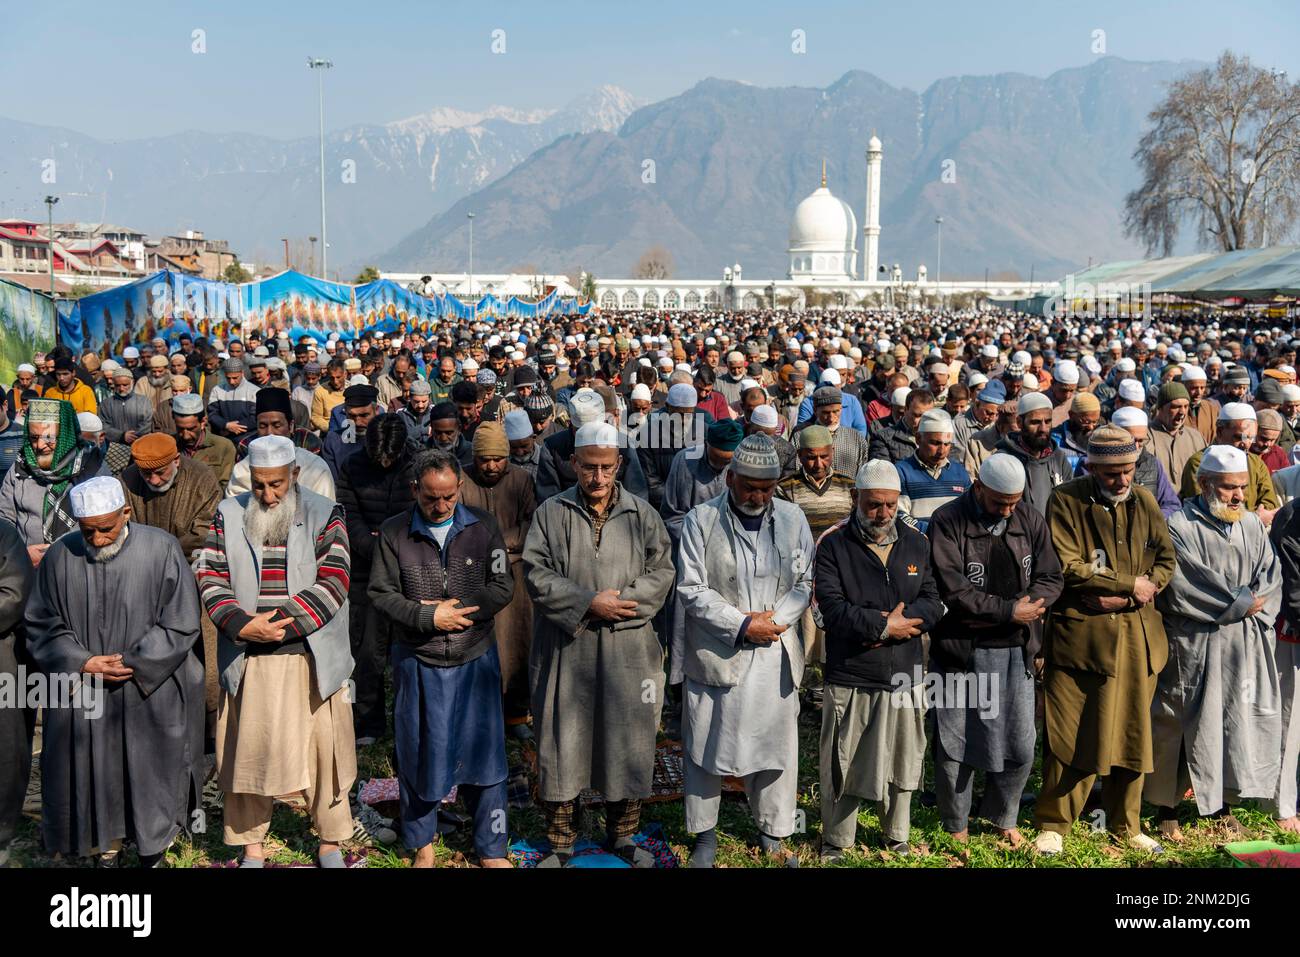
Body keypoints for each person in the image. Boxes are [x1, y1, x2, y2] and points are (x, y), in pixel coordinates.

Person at [25, 475, 204, 866]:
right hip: (83, 689)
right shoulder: (61, 555)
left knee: (147, 771)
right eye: (88, 531)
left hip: (146, 689)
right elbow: (41, 622)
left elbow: (181, 621)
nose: (98, 540)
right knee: (91, 773)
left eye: (106, 529)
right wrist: (82, 661)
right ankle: (99, 845)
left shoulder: (161, 549)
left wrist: (134, 662)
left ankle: (151, 846)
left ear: (125, 513)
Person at [197, 435, 356, 867]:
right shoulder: (228, 514)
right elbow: (211, 576)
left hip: (311, 655)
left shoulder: (326, 514)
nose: (267, 496)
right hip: (249, 654)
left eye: (277, 485)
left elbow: (335, 580)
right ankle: (252, 847)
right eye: (261, 485)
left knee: (326, 756)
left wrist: (280, 625)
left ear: (295, 475)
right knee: (246, 757)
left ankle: (329, 843)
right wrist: (244, 625)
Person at [522, 420, 675, 867]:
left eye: (607, 468)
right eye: (589, 467)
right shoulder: (551, 513)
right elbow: (536, 574)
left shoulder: (643, 514)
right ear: (574, 464)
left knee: (626, 738)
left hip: (627, 648)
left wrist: (620, 604)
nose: (598, 478)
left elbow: (662, 572)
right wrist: (588, 603)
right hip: (566, 648)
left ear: (619, 465)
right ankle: (562, 841)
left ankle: (623, 835)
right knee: (560, 737)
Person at [368, 448, 515, 867]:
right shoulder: (395, 532)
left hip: (475, 655)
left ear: (459, 487)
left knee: (487, 754)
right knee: (418, 751)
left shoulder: (484, 526)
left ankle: (492, 846)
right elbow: (380, 593)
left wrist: (459, 608)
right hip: (418, 657)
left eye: (449, 496)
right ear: (415, 490)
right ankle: (423, 843)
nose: (441, 506)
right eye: (431, 497)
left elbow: (502, 585)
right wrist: (426, 616)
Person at [1033, 425, 1176, 855]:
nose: (1123, 480)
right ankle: (1054, 824)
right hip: (1084, 639)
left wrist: (1144, 586)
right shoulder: (1067, 500)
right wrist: (1127, 583)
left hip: (1138, 638)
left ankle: (1126, 826)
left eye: (1129, 470)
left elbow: (1167, 559)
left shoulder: (1146, 501)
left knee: (1133, 735)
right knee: (1072, 732)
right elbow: (1067, 564)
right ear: (1091, 466)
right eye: (1113, 473)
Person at [676, 433, 814, 867]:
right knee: (706, 743)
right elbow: (692, 588)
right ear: (730, 478)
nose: (757, 495)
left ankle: (773, 830)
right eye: (749, 486)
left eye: (766, 488)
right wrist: (741, 625)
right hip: (720, 650)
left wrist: (773, 623)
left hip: (775, 647)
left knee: (776, 745)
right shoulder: (701, 520)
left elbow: (805, 581)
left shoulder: (793, 519)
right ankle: (704, 834)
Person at [926, 453, 1064, 847]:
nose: (1007, 509)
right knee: (957, 742)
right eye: (1000, 501)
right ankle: (957, 825)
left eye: (1014, 501)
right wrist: (1009, 610)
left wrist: (1033, 604)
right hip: (963, 650)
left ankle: (1004, 816)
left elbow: (1051, 575)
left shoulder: (1028, 517)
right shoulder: (948, 520)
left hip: (1016, 649)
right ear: (979, 487)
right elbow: (954, 588)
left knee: (1020, 743)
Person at [1147, 445, 1282, 840]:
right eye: (1228, 488)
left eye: (1242, 487)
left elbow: (1269, 574)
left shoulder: (1251, 525)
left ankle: (1220, 806)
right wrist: (1242, 603)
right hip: (1193, 643)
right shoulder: (1179, 527)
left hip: (1241, 642)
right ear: (1204, 484)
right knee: (1179, 722)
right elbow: (1186, 584)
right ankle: (1166, 807)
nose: (1238, 496)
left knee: (1230, 721)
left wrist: (1253, 603)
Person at [813, 460, 943, 857]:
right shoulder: (833, 544)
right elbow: (830, 609)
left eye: (889, 505)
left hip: (905, 672)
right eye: (873, 505)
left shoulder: (917, 542)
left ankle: (897, 833)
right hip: (851, 671)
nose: (882, 514)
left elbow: (935, 602)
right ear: (855, 499)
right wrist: (885, 626)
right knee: (843, 760)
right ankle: (837, 839)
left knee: (904, 759)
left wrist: (906, 625)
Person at [335, 414, 417, 744]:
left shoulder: (415, 464)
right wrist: (375, 543)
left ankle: (409, 721)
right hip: (364, 568)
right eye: (378, 458)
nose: (383, 464)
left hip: (409, 570)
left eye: (389, 459)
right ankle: (368, 722)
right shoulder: (352, 466)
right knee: (366, 652)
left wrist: (388, 542)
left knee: (408, 650)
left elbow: (419, 514)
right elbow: (347, 516)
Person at [459, 422, 538, 738]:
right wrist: (505, 547)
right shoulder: (461, 480)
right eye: (484, 459)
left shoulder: (521, 479)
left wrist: (497, 546)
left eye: (498, 459)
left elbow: (532, 526)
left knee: (518, 646)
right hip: (474, 577)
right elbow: (461, 533)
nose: (491, 466)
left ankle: (517, 717)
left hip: (515, 581)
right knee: (478, 648)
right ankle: (482, 718)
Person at [0, 399, 109, 567]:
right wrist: (20, 553)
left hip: (79, 565)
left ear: (66, 433)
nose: (40, 445)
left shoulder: (92, 467)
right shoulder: (19, 468)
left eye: (49, 437)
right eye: (34, 437)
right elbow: (4, 518)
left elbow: (105, 522)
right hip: (27, 566)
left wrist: (61, 554)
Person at [1179, 403, 1280, 521]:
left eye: (1250, 438)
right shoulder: (1199, 463)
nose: (1246, 444)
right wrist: (1254, 519)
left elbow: (1269, 505)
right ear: (1220, 432)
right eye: (1239, 437)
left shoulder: (1256, 463)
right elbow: (1208, 509)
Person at [0, 518, 32, 866]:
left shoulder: (4, 534)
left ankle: (2, 832)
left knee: (5, 748)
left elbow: (13, 595)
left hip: (2, 653)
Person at [994, 392, 1073, 515]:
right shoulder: (1003, 460)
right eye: (1035, 422)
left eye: (1047, 421)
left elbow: (1070, 504)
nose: (1043, 429)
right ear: (1019, 422)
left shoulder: (1059, 458)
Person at [894, 408, 971, 532]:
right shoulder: (901, 472)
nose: (942, 451)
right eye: (935, 443)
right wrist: (936, 531)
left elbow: (969, 512)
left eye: (947, 444)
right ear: (918, 438)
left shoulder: (960, 473)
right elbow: (899, 515)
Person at [171, 392, 236, 492]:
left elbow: (225, 487)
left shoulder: (224, 447)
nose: (185, 436)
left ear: (203, 422)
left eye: (191, 429)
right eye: (180, 429)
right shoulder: (168, 446)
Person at [1149, 382, 1206, 489]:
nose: (1182, 412)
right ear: (1160, 408)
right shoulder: (1146, 436)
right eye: (1175, 407)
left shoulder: (1196, 437)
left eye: (1186, 406)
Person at [323, 384, 379, 480]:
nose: (357, 422)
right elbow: (331, 482)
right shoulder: (333, 441)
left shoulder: (388, 438)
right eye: (352, 416)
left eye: (364, 415)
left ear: (376, 410)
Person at [99, 367, 155, 446]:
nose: (121, 389)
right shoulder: (106, 404)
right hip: (115, 448)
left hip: (141, 445)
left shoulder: (144, 401)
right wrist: (121, 435)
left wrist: (132, 436)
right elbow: (103, 425)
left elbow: (148, 423)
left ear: (132, 382)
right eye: (118, 385)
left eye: (125, 385)